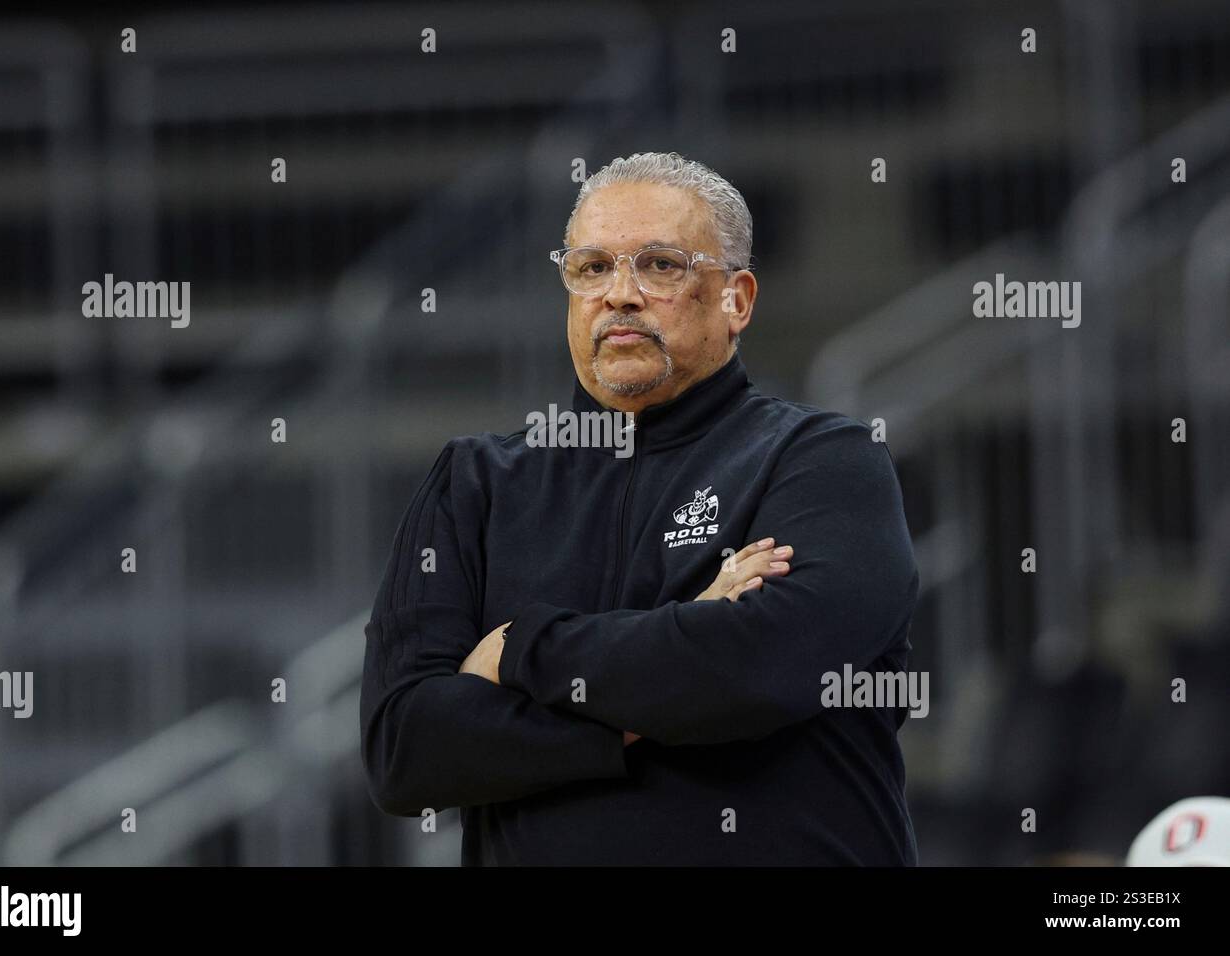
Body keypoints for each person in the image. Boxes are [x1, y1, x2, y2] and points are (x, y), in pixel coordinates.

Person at [359, 151, 920, 865]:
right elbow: (406, 750)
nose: (618, 294)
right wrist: (664, 669)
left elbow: (753, 672)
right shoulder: (475, 484)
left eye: (660, 265)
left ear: (736, 299)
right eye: (591, 268)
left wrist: (519, 649)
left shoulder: (824, 461)